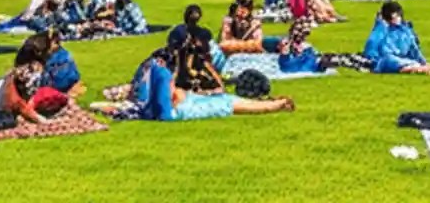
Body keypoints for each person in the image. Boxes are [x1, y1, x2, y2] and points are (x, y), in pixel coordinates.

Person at [96, 46, 294, 121]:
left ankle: (273, 104)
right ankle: (274, 104)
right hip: (182, 110)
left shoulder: (151, 75)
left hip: (182, 106)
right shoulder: (165, 75)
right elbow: (173, 99)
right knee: (229, 102)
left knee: (228, 100)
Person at [364, 1, 430, 74]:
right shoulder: (382, 29)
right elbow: (372, 44)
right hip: (385, 60)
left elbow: (414, 48)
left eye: (397, 16)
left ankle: (417, 67)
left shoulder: (406, 30)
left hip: (404, 59)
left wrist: (423, 61)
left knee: (410, 62)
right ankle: (415, 68)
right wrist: (373, 61)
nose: (396, 19)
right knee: (390, 60)